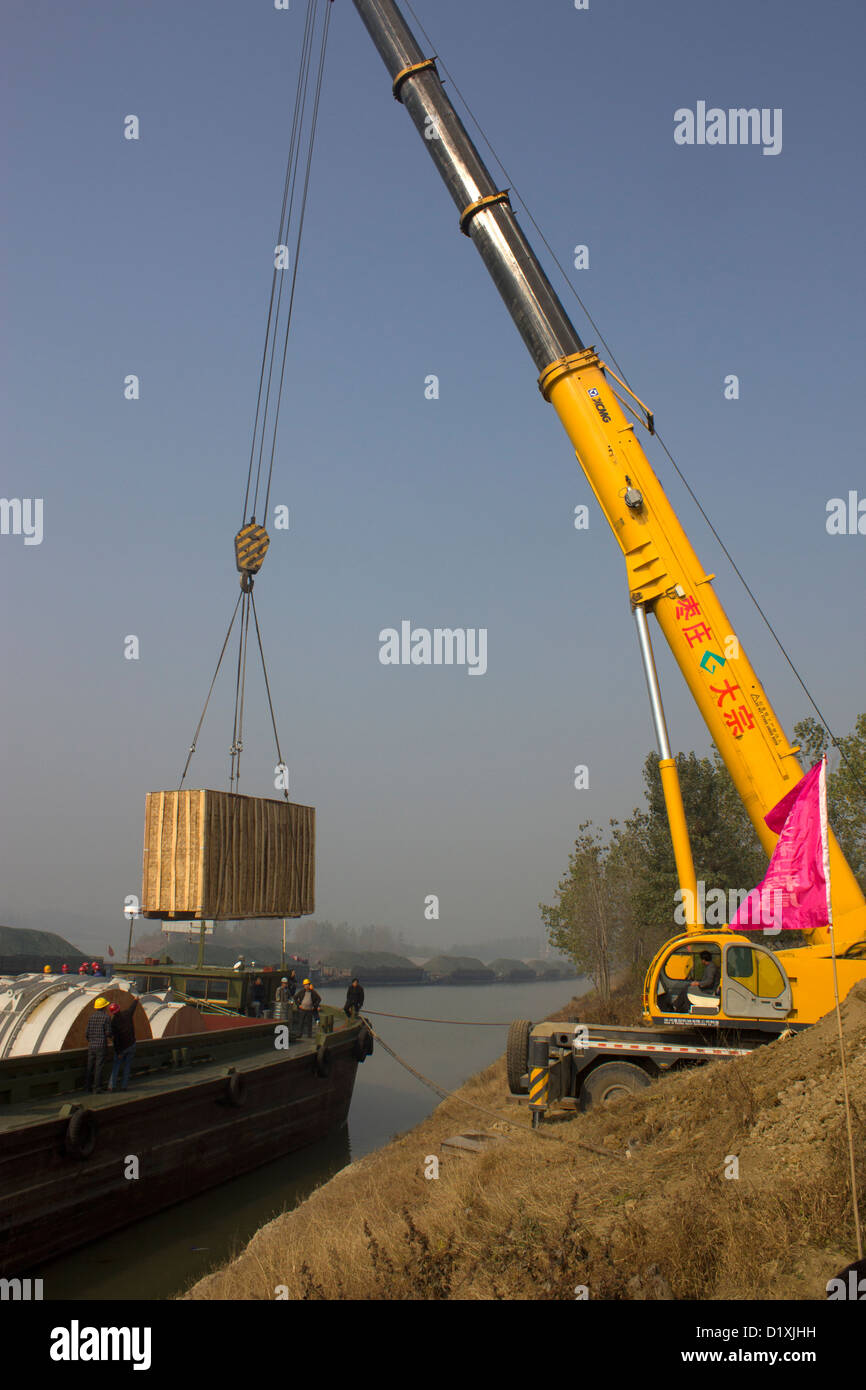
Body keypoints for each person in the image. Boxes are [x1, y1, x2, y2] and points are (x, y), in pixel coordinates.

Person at [108, 998, 139, 1091]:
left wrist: (118, 1052)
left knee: (116, 1066)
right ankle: (124, 1086)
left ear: (112, 1012)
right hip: (132, 1045)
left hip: (122, 1048)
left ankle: (112, 1086)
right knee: (127, 1066)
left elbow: (116, 1039)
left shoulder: (113, 1023)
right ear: (119, 1008)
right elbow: (132, 1008)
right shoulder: (127, 1014)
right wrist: (136, 1000)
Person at [85, 997, 112, 1093]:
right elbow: (108, 1033)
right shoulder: (106, 1017)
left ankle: (87, 1087)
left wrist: (91, 1040)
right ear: (104, 1007)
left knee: (90, 1066)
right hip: (101, 1046)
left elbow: (87, 1033)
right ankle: (97, 1088)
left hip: (91, 1045)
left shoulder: (91, 1017)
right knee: (99, 1067)